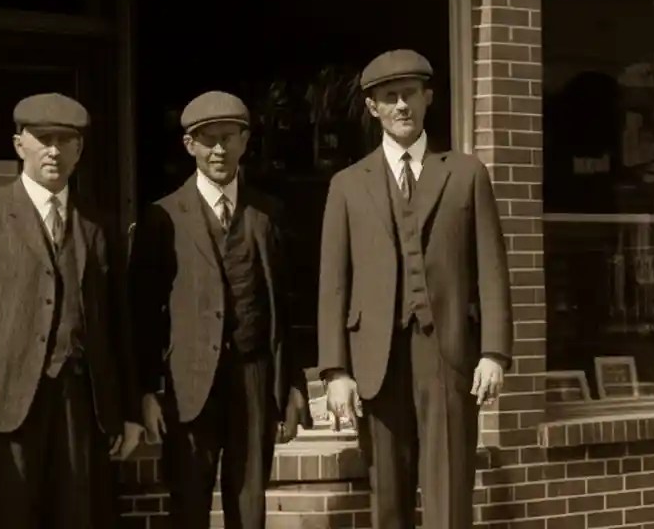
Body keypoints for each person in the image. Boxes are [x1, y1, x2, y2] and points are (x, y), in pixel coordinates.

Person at [0, 92, 143, 528]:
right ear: (18, 144)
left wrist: (129, 411)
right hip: (3, 402)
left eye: (65, 140)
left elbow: (121, 323)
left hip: (80, 402)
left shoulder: (97, 225)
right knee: (5, 516)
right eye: (43, 138)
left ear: (79, 150)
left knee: (78, 516)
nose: (54, 150)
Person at [316, 50, 513, 529]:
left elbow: (492, 268)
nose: (401, 105)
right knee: (387, 495)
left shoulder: (465, 174)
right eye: (389, 97)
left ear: (428, 98)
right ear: (373, 107)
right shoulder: (347, 185)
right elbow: (333, 284)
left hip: (448, 353)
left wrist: (494, 352)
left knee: (450, 494)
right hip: (375, 360)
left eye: (409, 94)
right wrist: (336, 370)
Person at [129, 91, 311, 529]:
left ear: (245, 141)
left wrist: (292, 385)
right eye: (207, 140)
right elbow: (140, 314)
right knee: (188, 502)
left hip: (253, 376)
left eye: (228, 138)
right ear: (189, 145)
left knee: (249, 503)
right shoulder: (161, 218)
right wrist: (144, 392)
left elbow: (285, 306)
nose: (218, 150)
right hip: (188, 382)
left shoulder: (268, 214)